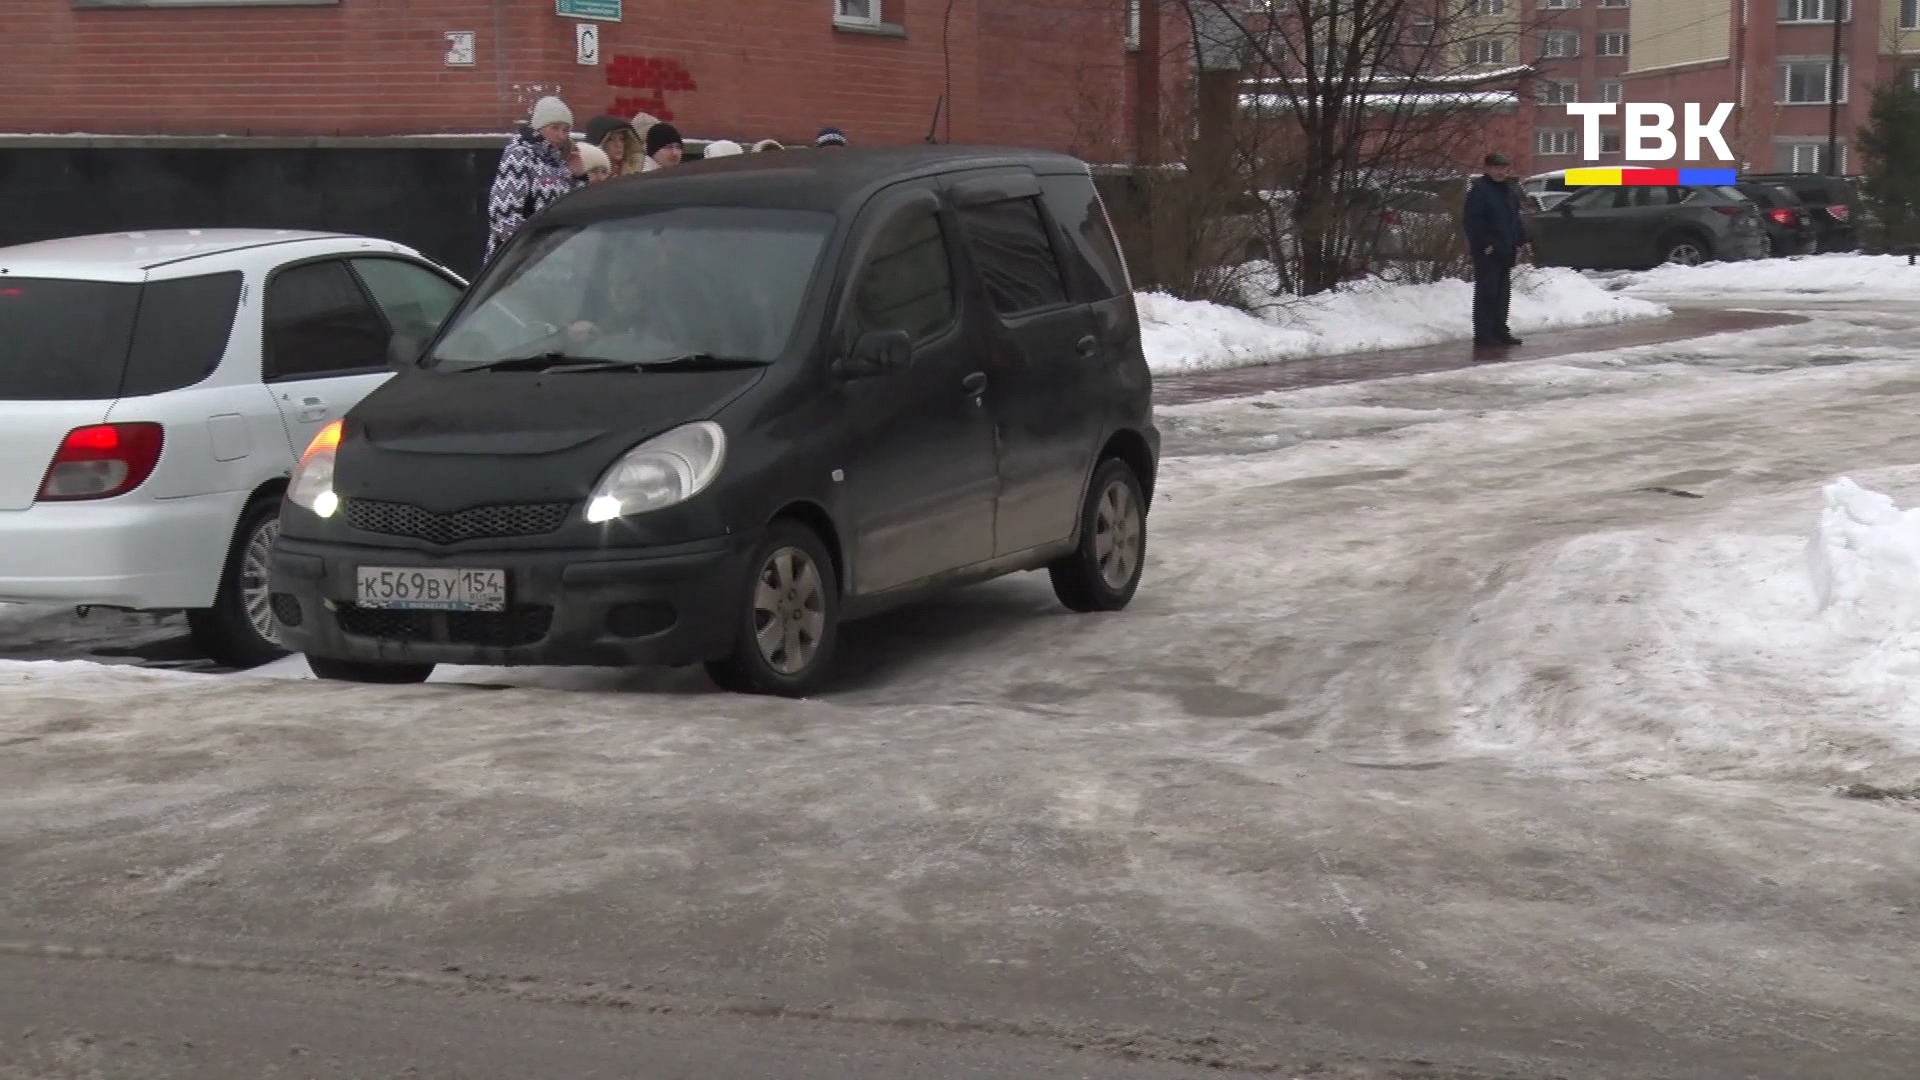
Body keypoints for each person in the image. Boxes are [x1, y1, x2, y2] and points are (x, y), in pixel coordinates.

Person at [485, 96, 589, 264]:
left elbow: (574, 209)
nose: (561, 135)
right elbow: (503, 214)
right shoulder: (519, 154)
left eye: (565, 130)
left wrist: (579, 176)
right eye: (555, 127)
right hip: (521, 263)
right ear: (539, 127)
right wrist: (534, 250)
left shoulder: (559, 161)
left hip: (556, 260)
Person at [1461, 152, 1530, 349]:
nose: (1500, 172)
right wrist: (1484, 243)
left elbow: (1515, 218)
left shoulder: (1508, 190)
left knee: (1502, 294)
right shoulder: (1480, 191)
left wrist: (1521, 239)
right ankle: (1484, 335)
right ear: (1487, 169)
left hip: (1507, 249)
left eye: (1504, 168)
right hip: (1489, 251)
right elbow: (1472, 221)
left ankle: (1500, 331)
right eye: (1496, 168)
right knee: (1487, 293)